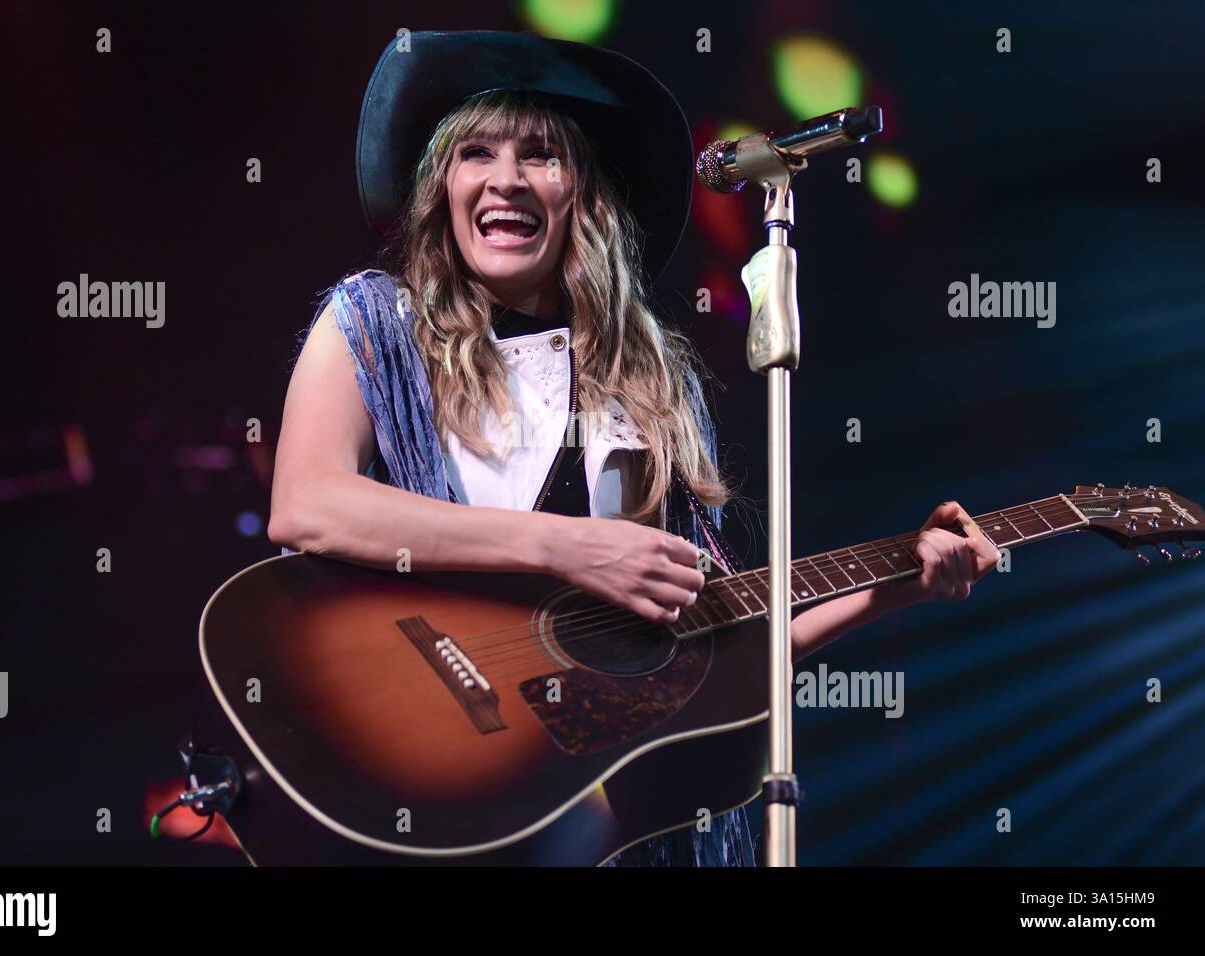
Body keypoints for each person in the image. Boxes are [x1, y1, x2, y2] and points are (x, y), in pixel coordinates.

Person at [268, 30, 998, 867]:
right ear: (442, 186)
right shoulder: (372, 321)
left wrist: (897, 585)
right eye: (476, 153)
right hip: (420, 769)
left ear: (583, 194)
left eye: (540, 155)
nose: (506, 179)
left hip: (590, 820)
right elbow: (306, 505)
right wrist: (567, 546)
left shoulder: (647, 382)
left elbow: (704, 656)